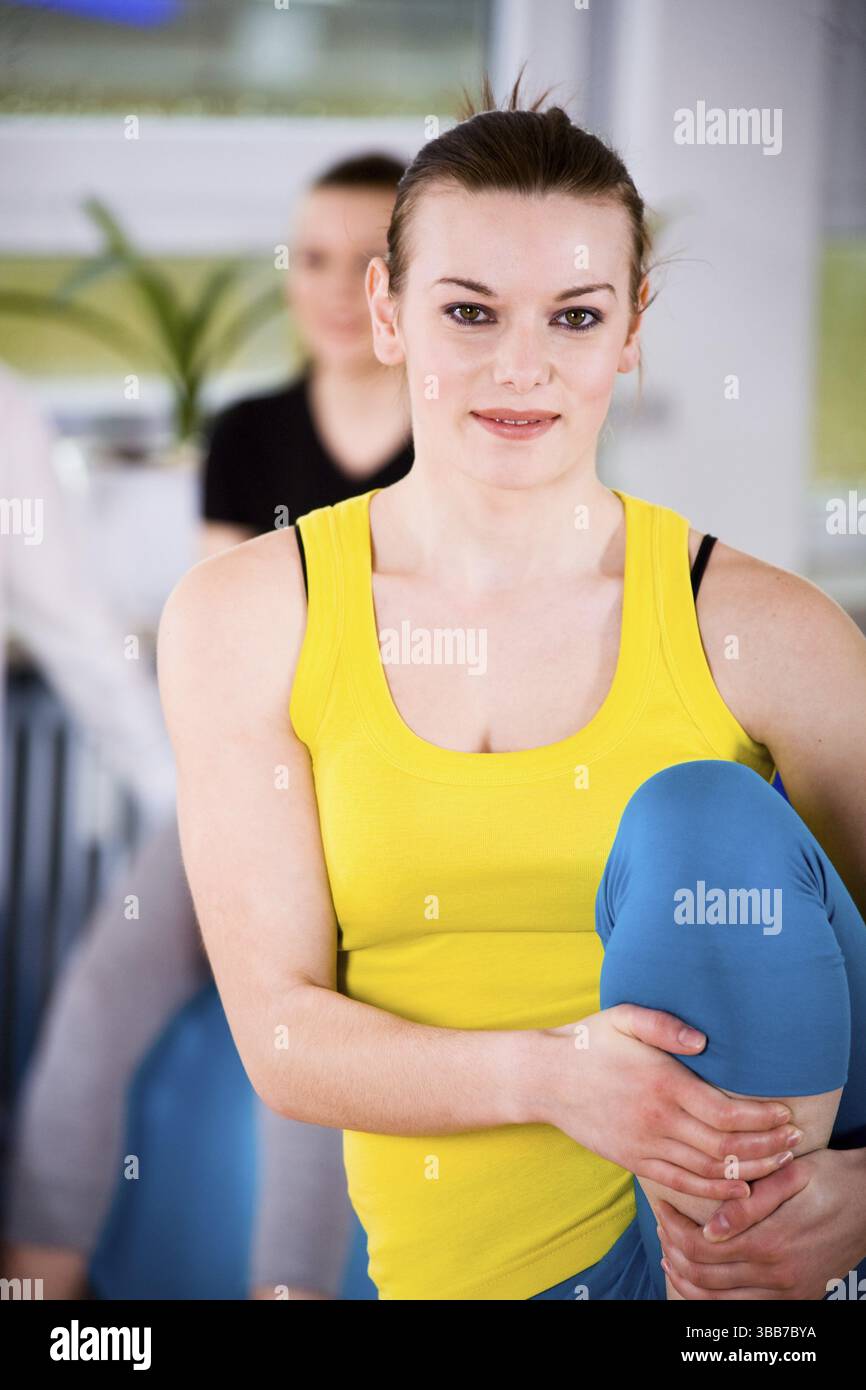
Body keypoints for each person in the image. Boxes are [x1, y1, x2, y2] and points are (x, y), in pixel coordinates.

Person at [157, 72, 866, 1301]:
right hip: (475, 1277)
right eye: (471, 313)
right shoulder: (247, 616)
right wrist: (553, 1076)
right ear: (386, 312)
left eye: (576, 317)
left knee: (698, 815)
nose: (521, 369)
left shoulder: (764, 629)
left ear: (632, 325)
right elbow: (280, 1031)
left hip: (739, 1265)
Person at [1, 152, 414, 1300]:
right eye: (315, 260)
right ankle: (39, 1286)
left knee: (305, 1043)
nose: (339, 289)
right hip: (247, 792)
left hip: (375, 813)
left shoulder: (457, 447)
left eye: (372, 263)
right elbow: (228, 662)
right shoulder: (246, 432)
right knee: (98, 994)